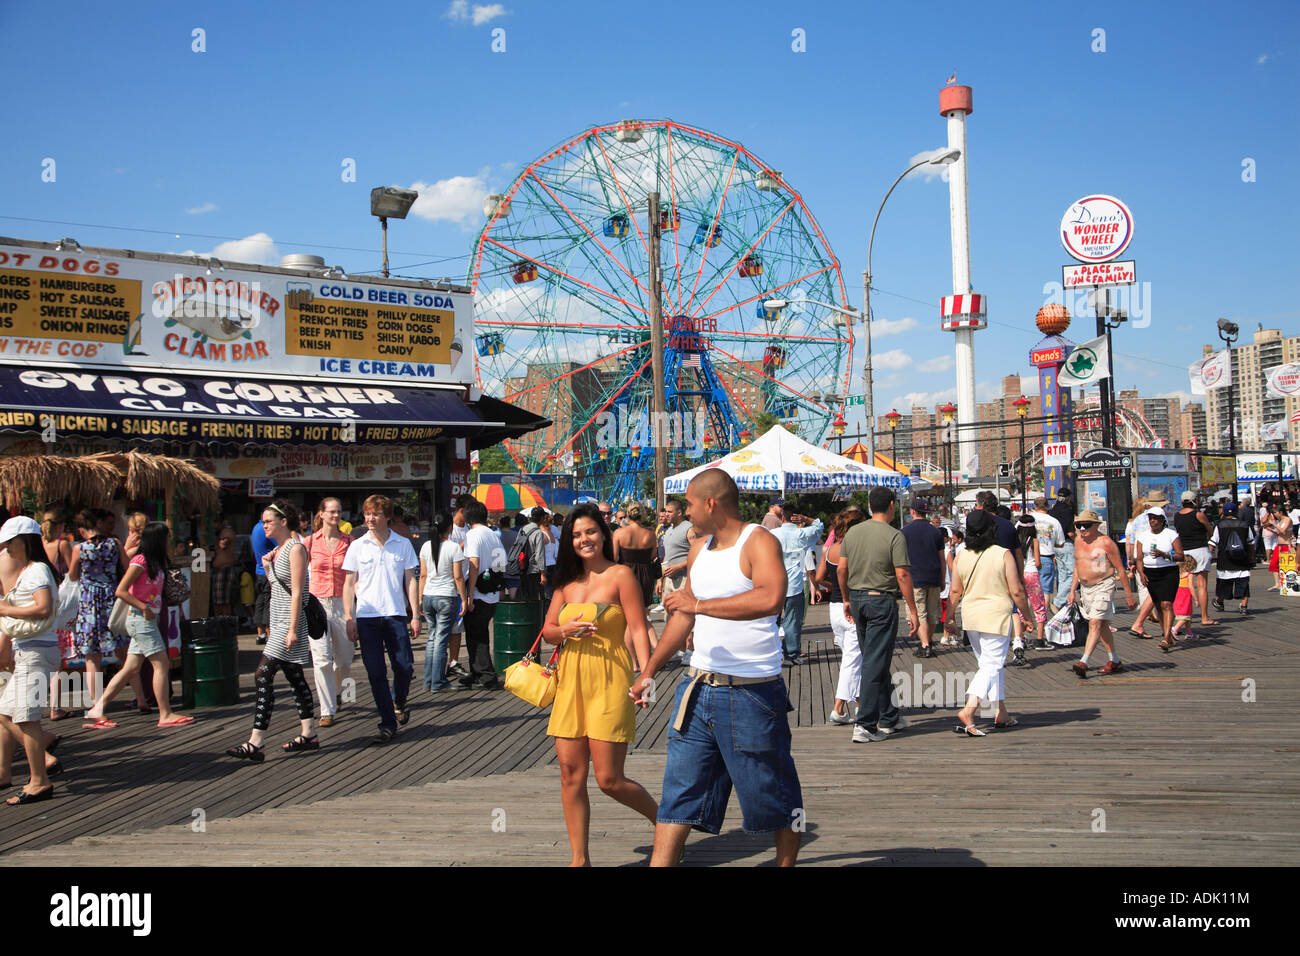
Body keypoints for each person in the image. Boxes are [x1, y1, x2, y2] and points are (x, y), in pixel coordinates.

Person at [629, 470, 803, 867]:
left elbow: (772, 597)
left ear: (710, 503)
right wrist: (649, 670)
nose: (683, 512)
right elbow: (683, 617)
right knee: (679, 790)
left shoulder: (757, 541)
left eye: (688, 504)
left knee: (774, 789)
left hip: (751, 692)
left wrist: (699, 606)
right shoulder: (698, 549)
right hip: (697, 687)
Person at [541, 502, 657, 866]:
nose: (584, 539)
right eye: (576, 535)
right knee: (570, 774)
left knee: (609, 779)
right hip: (570, 681)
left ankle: (667, 825)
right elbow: (547, 632)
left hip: (610, 679)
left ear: (603, 534)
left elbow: (639, 628)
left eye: (590, 531)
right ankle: (580, 859)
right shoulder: (565, 582)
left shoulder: (621, 575)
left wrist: (646, 674)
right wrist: (564, 630)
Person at [225, 502, 316, 760]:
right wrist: (267, 567)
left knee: (262, 674)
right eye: (263, 522)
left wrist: (292, 628)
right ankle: (309, 733)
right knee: (294, 676)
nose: (264, 526)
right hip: (277, 621)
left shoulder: (296, 549)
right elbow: (277, 587)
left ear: (283, 521)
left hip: (289, 623)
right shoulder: (277, 550)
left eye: (268, 521)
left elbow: (298, 591)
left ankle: (257, 741)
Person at [83, 522, 196, 730]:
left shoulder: (155, 562)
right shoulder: (140, 561)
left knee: (130, 668)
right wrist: (142, 607)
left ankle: (98, 708)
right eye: (165, 538)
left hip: (145, 619)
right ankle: (165, 713)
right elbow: (121, 590)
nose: (168, 542)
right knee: (161, 664)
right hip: (141, 619)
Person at [837, 486, 919, 743]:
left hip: (858, 599)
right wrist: (912, 609)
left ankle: (889, 715)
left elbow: (841, 569)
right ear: (892, 505)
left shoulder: (853, 533)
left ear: (871, 506)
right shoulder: (894, 536)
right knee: (874, 661)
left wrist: (846, 598)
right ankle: (865, 724)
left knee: (875, 658)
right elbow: (902, 574)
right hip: (881, 600)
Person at [946, 510, 1036, 735]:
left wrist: (949, 617)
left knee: (988, 665)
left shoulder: (961, 555)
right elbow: (1016, 591)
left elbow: (955, 590)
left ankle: (1001, 712)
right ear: (991, 530)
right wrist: (1026, 616)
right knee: (992, 665)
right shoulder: (1002, 554)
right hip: (996, 615)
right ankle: (969, 709)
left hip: (971, 616)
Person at [343, 495, 421, 742]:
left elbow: (411, 580)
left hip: (395, 614)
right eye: (367, 514)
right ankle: (388, 722)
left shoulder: (403, 544)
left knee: (404, 667)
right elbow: (348, 583)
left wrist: (415, 614)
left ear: (387, 517)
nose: (370, 519)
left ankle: (399, 700)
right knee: (375, 671)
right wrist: (348, 616)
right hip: (367, 616)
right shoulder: (357, 545)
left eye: (375, 514)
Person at [0, 516, 64, 804]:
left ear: (23, 541)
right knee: (7, 713)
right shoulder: (32, 569)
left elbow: (43, 608)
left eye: (9, 543)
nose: (6, 549)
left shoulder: (37, 571)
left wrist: (5, 610)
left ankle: (40, 780)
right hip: (31, 649)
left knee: (27, 718)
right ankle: (42, 755)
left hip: (36, 650)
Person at [67, 508, 144, 715]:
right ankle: (141, 698)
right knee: (124, 654)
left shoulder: (79, 549)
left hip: (89, 603)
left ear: (83, 530)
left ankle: (97, 703)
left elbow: (73, 576)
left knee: (93, 657)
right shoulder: (114, 543)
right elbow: (127, 566)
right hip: (111, 599)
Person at [1066, 510, 1137, 677]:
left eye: (1086, 525)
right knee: (1102, 625)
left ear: (1096, 525)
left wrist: (1128, 595)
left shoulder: (1106, 543)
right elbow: (1078, 567)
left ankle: (1084, 661)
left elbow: (1120, 568)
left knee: (1095, 623)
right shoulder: (1078, 541)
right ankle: (1114, 660)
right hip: (1085, 589)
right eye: (1079, 525)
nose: (1082, 529)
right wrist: (1072, 591)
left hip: (1103, 585)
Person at [304, 497, 353, 727]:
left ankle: (339, 692)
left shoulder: (349, 542)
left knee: (343, 659)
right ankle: (327, 710)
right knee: (321, 658)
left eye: (338, 512)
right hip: (317, 604)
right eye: (331, 512)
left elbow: (357, 574)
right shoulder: (310, 543)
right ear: (321, 514)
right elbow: (294, 565)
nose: (335, 516)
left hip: (342, 603)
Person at [818, 506, 865, 725]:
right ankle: (838, 707)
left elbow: (819, 576)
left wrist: (834, 585)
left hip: (833, 608)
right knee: (851, 659)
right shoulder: (853, 549)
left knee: (853, 658)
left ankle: (859, 702)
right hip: (850, 606)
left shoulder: (830, 549)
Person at [417, 512, 467, 694]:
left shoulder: (425, 546)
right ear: (450, 528)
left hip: (429, 595)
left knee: (432, 638)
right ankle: (438, 681)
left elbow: (422, 575)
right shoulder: (454, 548)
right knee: (440, 640)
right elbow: (458, 577)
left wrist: (420, 598)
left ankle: (429, 680)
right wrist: (464, 598)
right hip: (447, 596)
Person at [459, 499, 504, 692]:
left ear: (467, 518)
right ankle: (477, 672)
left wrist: (468, 595)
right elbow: (502, 562)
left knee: (476, 636)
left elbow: (474, 564)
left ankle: (486, 676)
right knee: (480, 634)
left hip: (478, 594)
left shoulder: (473, 535)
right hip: (492, 592)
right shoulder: (494, 535)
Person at [770, 504, 823, 665]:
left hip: (774, 584)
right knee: (792, 621)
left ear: (783, 517)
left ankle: (772, 653)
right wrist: (806, 519)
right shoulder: (802, 533)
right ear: (796, 517)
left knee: (771, 622)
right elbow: (819, 525)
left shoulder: (772, 534)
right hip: (795, 583)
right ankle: (791, 654)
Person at [1134, 507, 1183, 653]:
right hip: (1150, 573)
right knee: (1157, 605)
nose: (1152, 521)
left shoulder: (1171, 534)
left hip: (1168, 572)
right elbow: (1139, 558)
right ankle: (1166, 634)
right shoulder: (1143, 537)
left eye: (1156, 518)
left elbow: (1181, 555)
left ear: (1162, 520)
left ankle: (1167, 638)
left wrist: (1165, 555)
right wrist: (1141, 573)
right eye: (1150, 518)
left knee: (1167, 603)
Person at [900, 503, 944, 659]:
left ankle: (925, 644)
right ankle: (928, 641)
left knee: (919, 612)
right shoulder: (936, 532)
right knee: (933, 613)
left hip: (914, 577)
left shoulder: (904, 532)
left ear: (912, 512)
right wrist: (943, 578)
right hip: (933, 576)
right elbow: (942, 559)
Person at [656, 498, 693, 665]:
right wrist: (660, 579)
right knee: (669, 615)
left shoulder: (689, 529)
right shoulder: (669, 530)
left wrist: (679, 567)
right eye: (666, 511)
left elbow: (697, 553)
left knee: (686, 615)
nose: (666, 514)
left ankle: (689, 650)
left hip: (684, 577)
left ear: (679, 512)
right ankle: (677, 650)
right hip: (669, 579)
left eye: (670, 511)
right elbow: (666, 557)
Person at [1174, 491, 1218, 627]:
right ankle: (1205, 617)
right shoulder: (1198, 515)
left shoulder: (1177, 516)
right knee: (1201, 585)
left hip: (1185, 552)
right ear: (1194, 501)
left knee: (1185, 585)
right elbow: (1211, 532)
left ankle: (1184, 615)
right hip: (1200, 549)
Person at [1011, 512, 1046, 662]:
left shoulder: (1015, 539)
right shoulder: (1034, 540)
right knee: (1039, 605)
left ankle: (1019, 638)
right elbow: (1037, 562)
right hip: (1032, 574)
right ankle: (1039, 638)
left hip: (1019, 574)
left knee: (1019, 607)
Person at [1210, 500, 1254, 615]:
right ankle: (1244, 606)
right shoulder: (1245, 525)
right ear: (1236, 512)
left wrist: (1208, 557)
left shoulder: (1220, 525)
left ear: (1224, 512)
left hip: (1225, 560)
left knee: (1224, 583)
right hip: (1242, 559)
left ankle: (1220, 602)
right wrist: (1251, 558)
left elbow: (1213, 543)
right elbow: (1250, 543)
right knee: (1243, 583)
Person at [1124, 496, 1156, 637]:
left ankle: (1148, 613)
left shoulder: (1132, 523)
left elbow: (1129, 543)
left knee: (1143, 588)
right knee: (1155, 587)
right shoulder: (1155, 520)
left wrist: (1130, 559)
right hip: (1153, 557)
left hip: (1138, 557)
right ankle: (1153, 614)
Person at [1030, 497, 1066, 612]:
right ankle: (1041, 617)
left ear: (1035, 506)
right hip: (1046, 558)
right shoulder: (1054, 521)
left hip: (1030, 558)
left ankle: (1027, 618)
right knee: (1045, 590)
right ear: (1048, 506)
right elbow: (1060, 543)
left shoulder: (1028, 519)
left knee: (1029, 590)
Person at [1048, 488, 1077, 608]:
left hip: (1055, 545)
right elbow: (1070, 532)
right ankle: (1059, 601)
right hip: (1066, 544)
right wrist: (1078, 542)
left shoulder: (1052, 511)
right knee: (1072, 574)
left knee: (1062, 574)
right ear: (1068, 498)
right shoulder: (1067, 511)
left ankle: (1063, 602)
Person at [250, 515, 276, 646]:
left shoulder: (256, 527)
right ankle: (270, 635)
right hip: (267, 571)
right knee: (268, 603)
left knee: (260, 602)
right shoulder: (267, 530)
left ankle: (260, 634)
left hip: (258, 571)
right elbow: (282, 545)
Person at [210, 526, 239, 617]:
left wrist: (218, 539)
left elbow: (223, 544)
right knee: (217, 601)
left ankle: (226, 623)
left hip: (224, 569)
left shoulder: (227, 532)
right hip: (218, 570)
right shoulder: (219, 534)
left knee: (224, 602)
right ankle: (218, 623)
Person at [1169, 554, 1197, 641]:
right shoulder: (1189, 574)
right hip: (1185, 595)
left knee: (1186, 614)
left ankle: (1189, 633)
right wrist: (1196, 598)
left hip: (1178, 594)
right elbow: (1191, 587)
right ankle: (1175, 629)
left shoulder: (1178, 574)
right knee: (1185, 616)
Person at [1267, 504, 1293, 592]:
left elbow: (1283, 530)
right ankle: (1277, 584)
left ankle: (1287, 583)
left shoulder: (1287, 519)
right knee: (1274, 564)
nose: (1274, 514)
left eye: (1275, 512)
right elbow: (1280, 532)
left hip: (1287, 545)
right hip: (1279, 545)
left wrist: (1274, 524)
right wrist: (1271, 529)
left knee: (1288, 566)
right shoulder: (1280, 520)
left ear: (1281, 512)